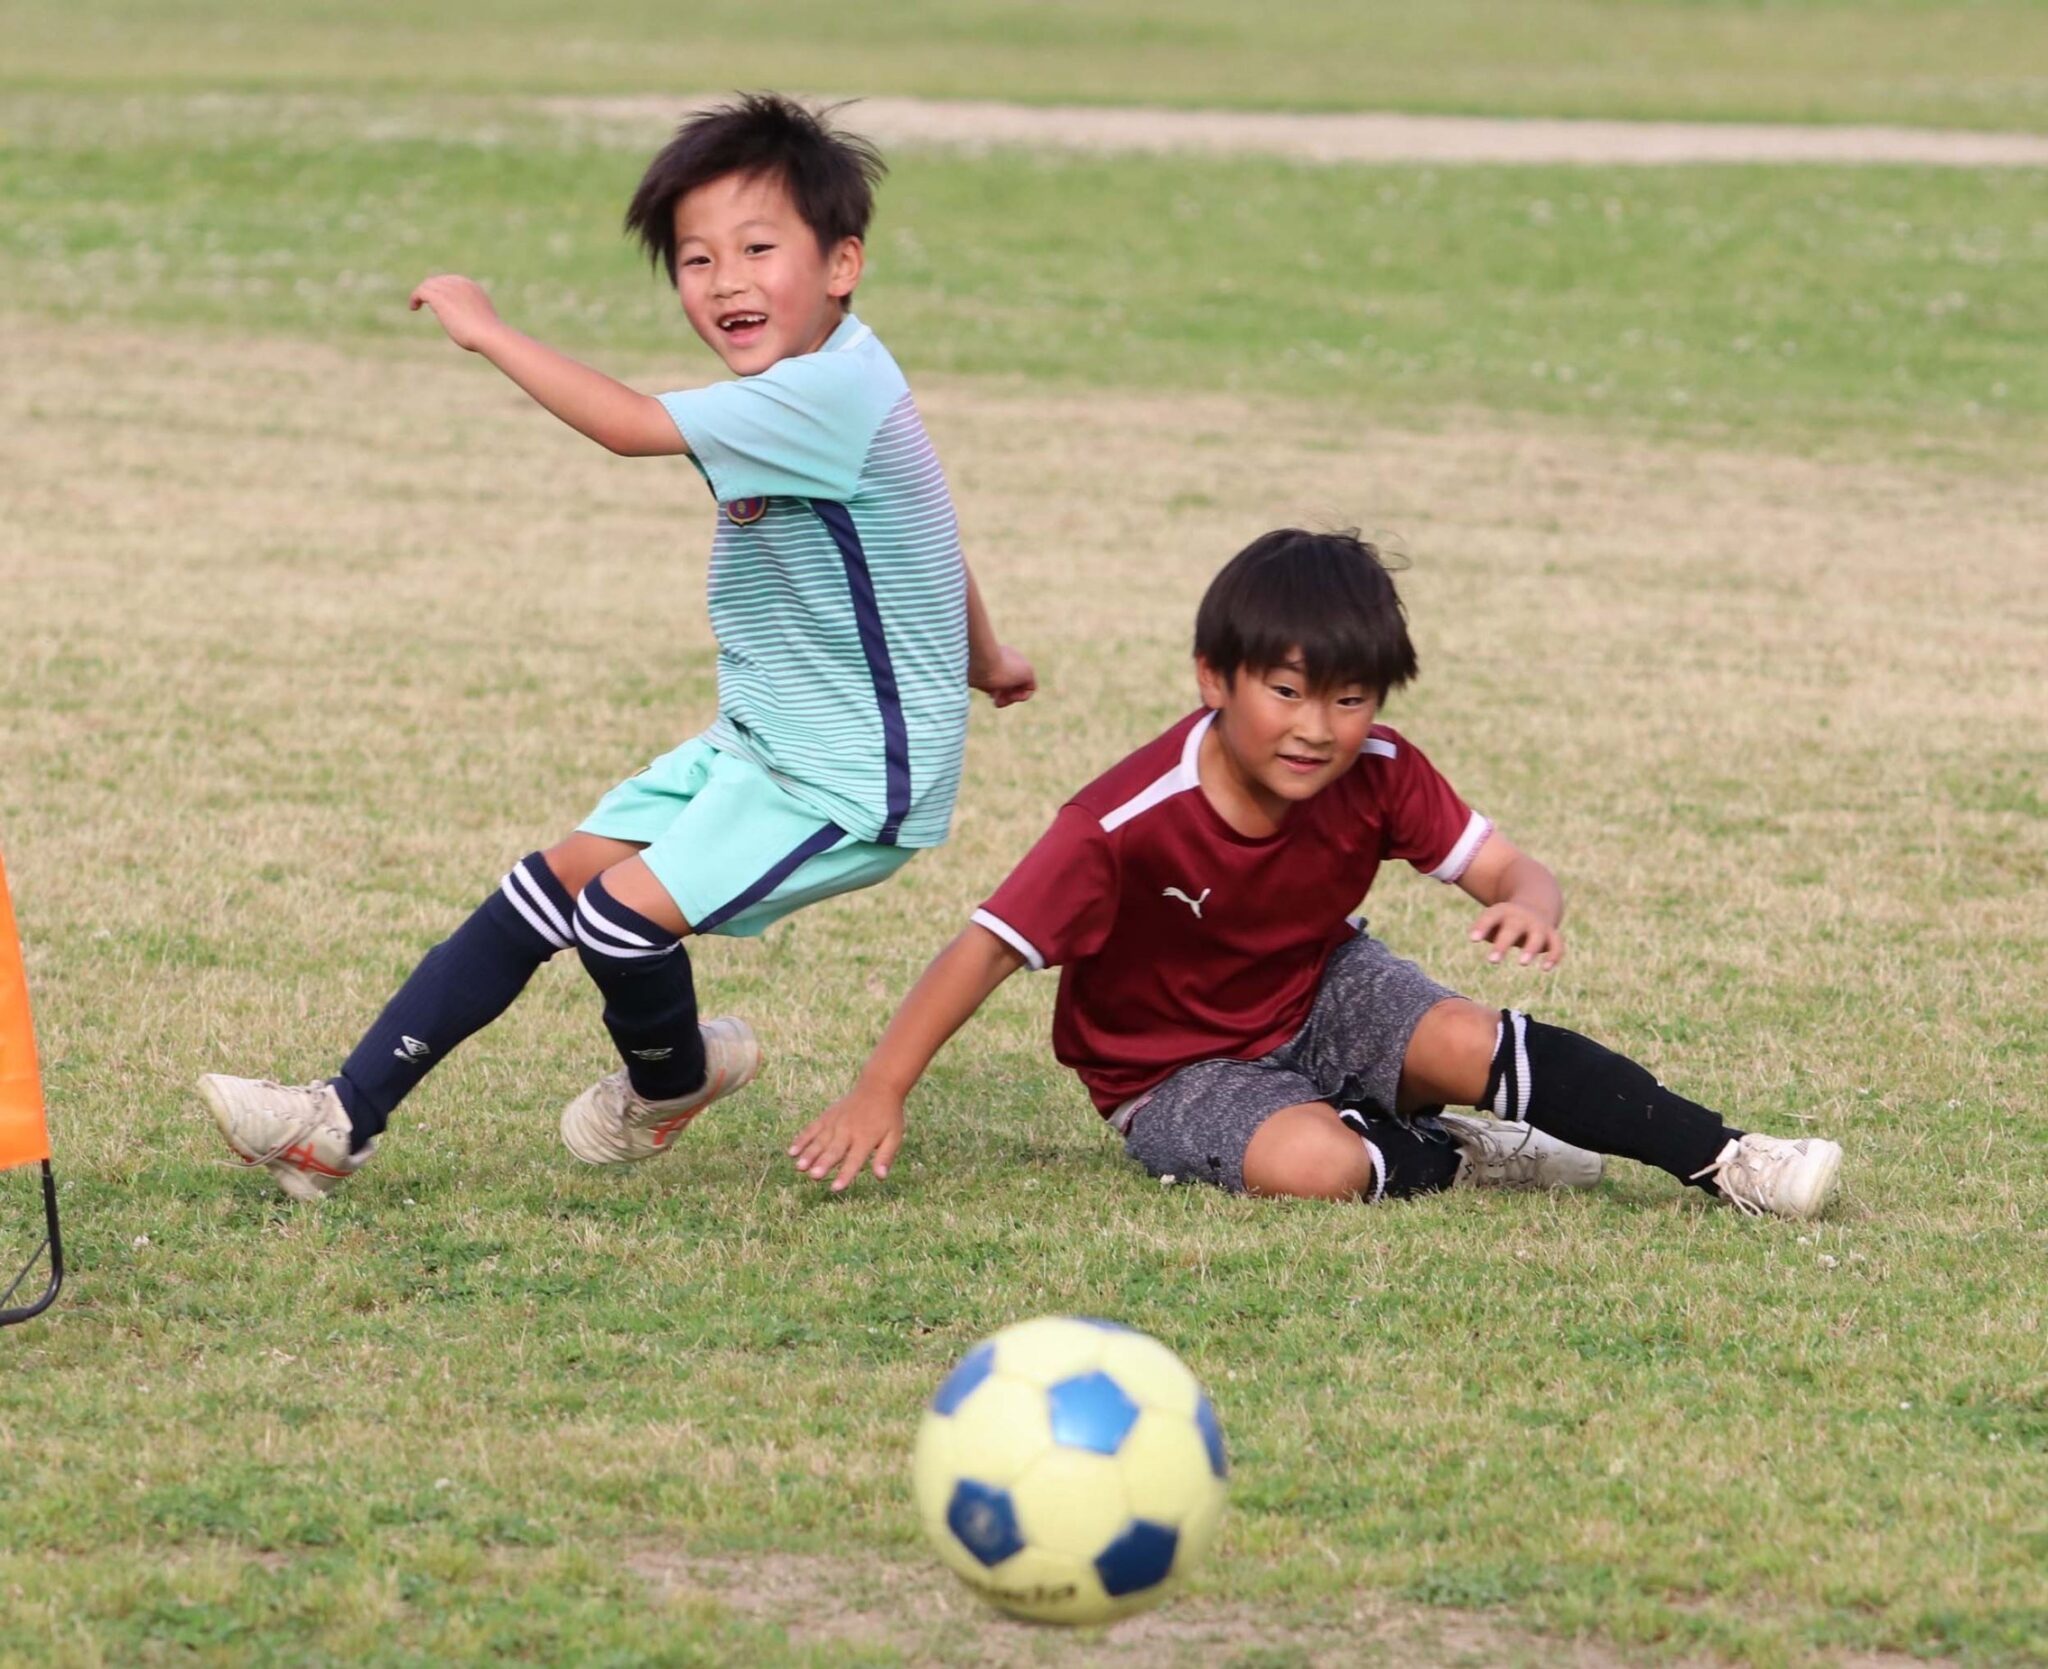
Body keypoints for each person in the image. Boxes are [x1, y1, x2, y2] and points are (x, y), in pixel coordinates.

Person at [201, 94, 1035, 1201]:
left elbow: (628, 424)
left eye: (757, 248)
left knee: (616, 917)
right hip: (762, 743)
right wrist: (984, 652)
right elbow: (924, 530)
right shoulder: (811, 389)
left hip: (847, 779)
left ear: (842, 264)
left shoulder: (824, 395)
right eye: (695, 260)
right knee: (542, 886)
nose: (725, 280)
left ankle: (673, 1080)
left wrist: (485, 328)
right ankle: (335, 1119)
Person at [790, 528, 1842, 1220]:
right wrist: (880, 1090)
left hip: (1317, 985)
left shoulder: (1379, 771)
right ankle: (1454, 1153)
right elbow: (983, 949)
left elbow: (1509, 867)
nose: (1316, 728)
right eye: (1287, 691)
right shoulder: (1120, 824)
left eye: (1349, 698)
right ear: (1214, 678)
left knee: (1473, 1034)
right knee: (1315, 1169)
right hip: (1170, 1070)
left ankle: (1729, 1160)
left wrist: (1529, 902)